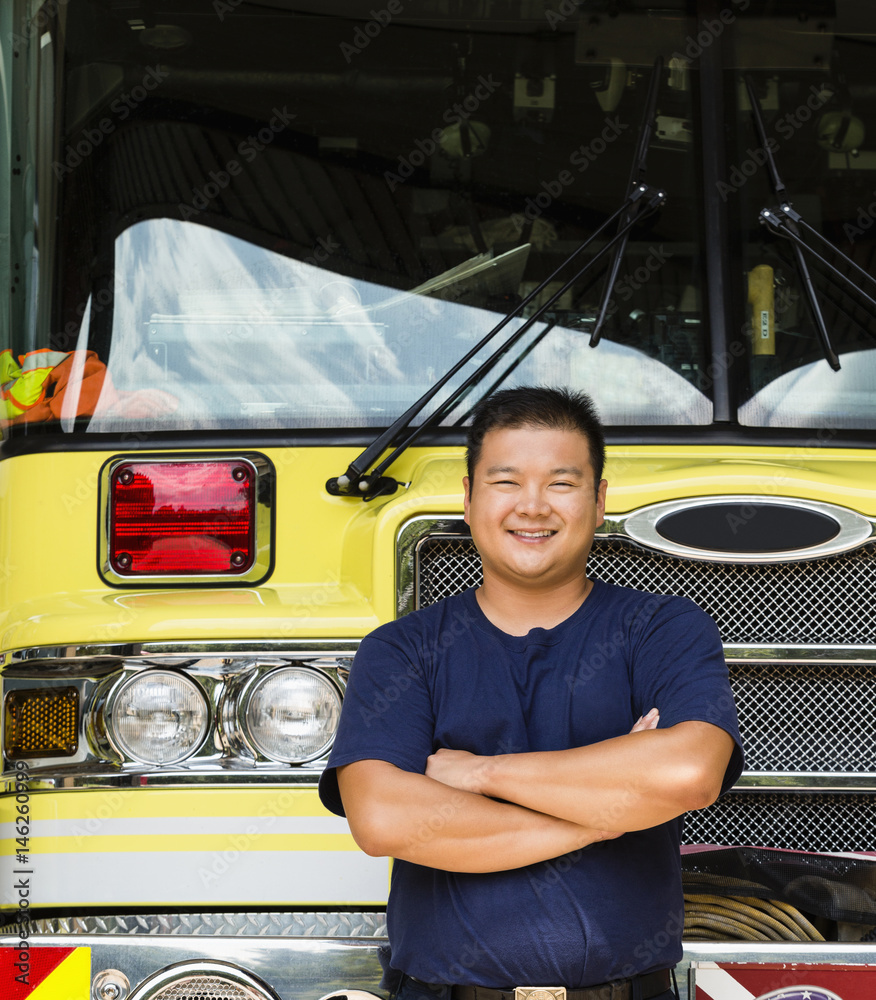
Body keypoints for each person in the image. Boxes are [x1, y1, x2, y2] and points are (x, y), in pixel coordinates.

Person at [319, 386, 743, 1000]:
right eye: (506, 482)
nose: (533, 507)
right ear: (468, 500)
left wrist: (477, 773)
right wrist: (607, 817)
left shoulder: (664, 628)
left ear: (599, 502)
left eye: (562, 484)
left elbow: (688, 773)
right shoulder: (401, 650)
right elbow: (383, 818)